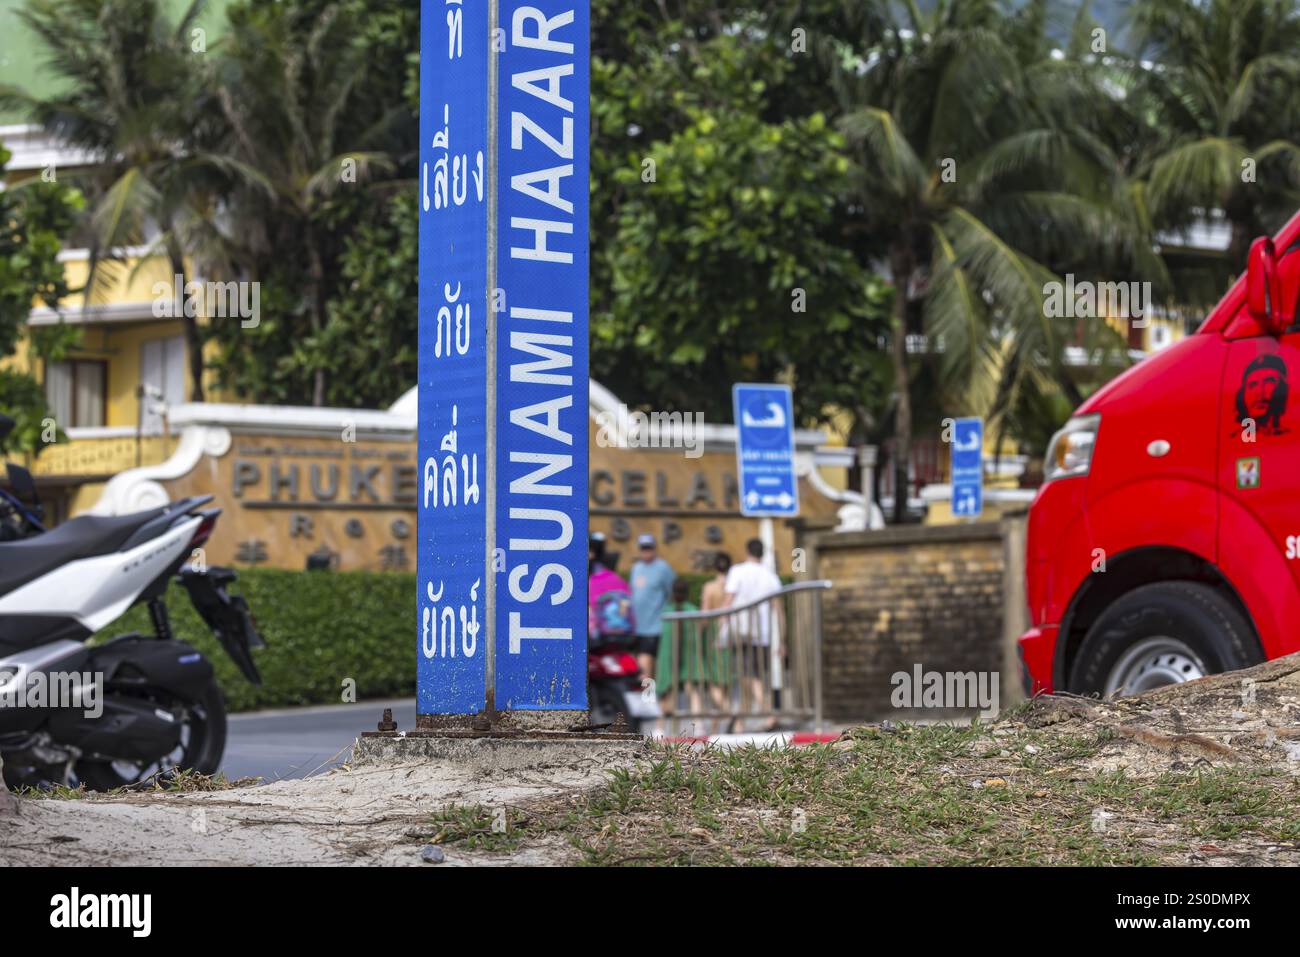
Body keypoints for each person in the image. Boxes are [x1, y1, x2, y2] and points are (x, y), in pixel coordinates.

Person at [723, 538, 784, 730]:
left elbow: (728, 602)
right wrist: (782, 640)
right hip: (763, 633)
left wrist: (720, 628)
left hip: (740, 630)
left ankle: (768, 713)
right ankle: (739, 721)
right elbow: (779, 611)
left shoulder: (737, 571)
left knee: (748, 676)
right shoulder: (771, 576)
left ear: (747, 551)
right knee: (748, 676)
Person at [629, 532, 675, 682]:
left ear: (655, 548)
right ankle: (649, 699)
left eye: (649, 548)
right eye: (643, 548)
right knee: (644, 667)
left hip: (654, 626)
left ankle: (646, 701)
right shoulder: (636, 568)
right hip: (636, 627)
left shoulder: (663, 568)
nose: (646, 551)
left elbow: (672, 593)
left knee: (645, 666)